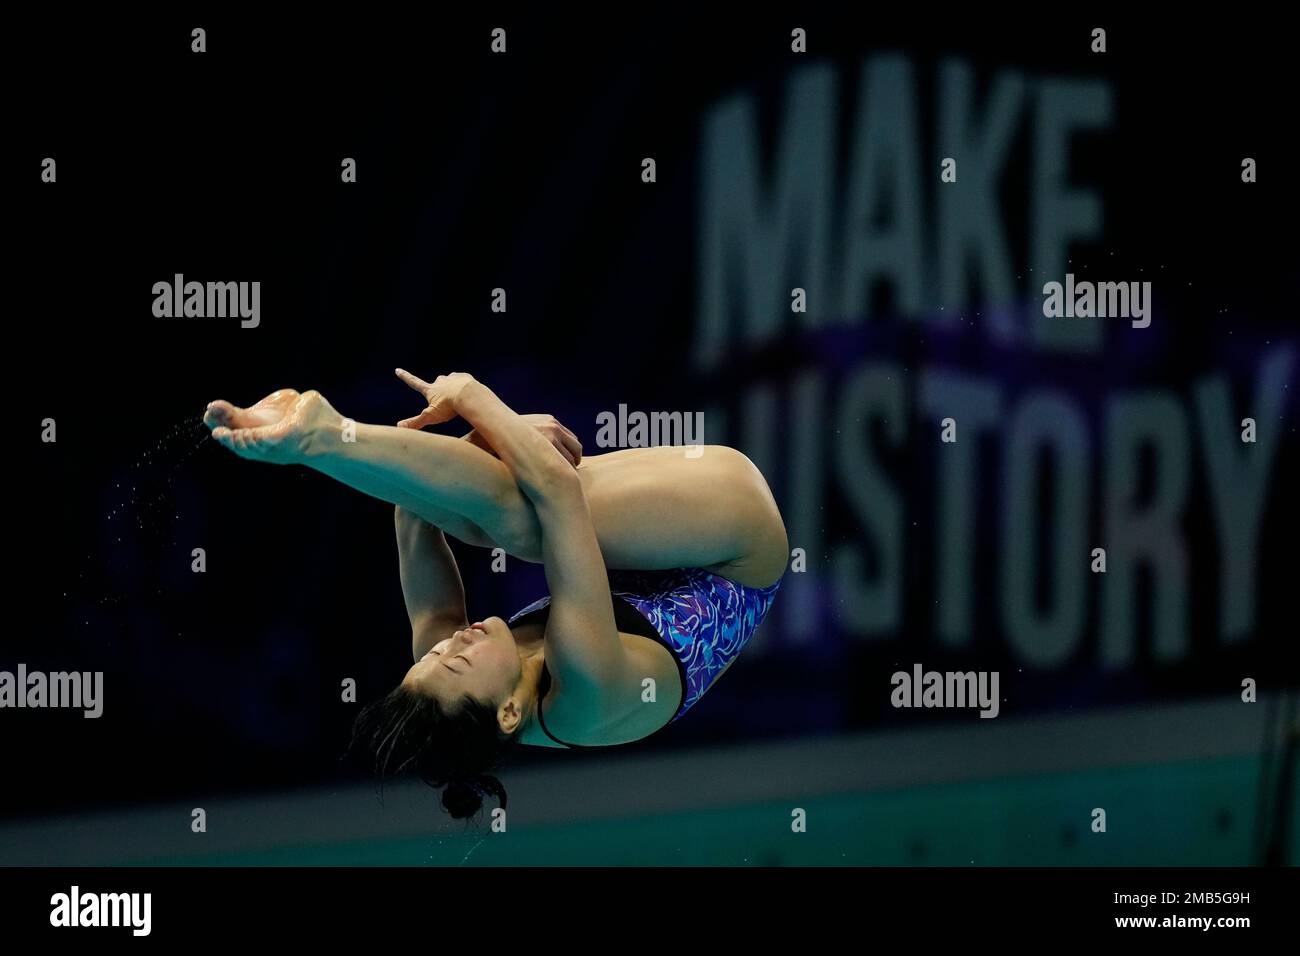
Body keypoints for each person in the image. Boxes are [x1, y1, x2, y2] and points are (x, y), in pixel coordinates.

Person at [204, 370, 787, 818]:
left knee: (487, 521)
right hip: (735, 548)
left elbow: (412, 515)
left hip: (666, 554)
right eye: (453, 657)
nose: (453, 640)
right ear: (510, 712)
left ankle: (309, 438)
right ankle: (319, 434)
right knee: (523, 523)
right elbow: (557, 492)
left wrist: (485, 439)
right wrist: (477, 400)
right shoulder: (583, 695)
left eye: (433, 654)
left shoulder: (452, 681)